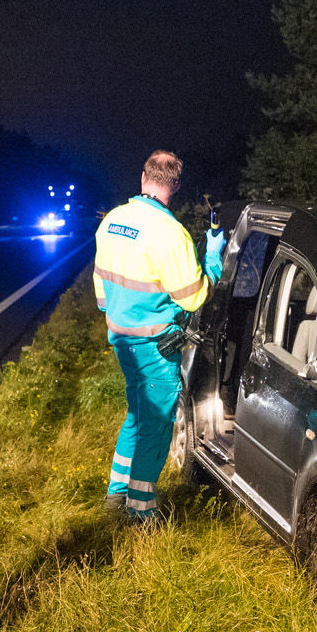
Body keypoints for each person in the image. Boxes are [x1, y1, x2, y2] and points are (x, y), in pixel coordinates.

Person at [94, 150, 224, 524]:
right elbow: (195, 295)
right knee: (155, 425)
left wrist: (120, 314)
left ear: (143, 177)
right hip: (153, 345)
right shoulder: (171, 234)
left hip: (120, 338)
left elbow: (101, 287)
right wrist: (212, 259)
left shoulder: (112, 221)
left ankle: (117, 494)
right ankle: (141, 512)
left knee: (137, 415)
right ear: (176, 186)